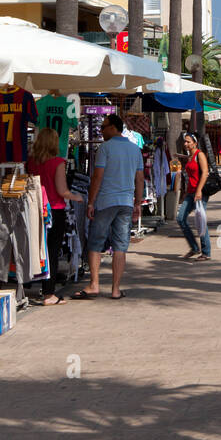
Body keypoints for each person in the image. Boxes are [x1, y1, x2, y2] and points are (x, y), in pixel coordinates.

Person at [74, 113, 143, 300]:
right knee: (120, 247)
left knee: (96, 243)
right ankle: (115, 289)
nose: (101, 131)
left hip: (106, 202)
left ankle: (94, 284)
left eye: (103, 127)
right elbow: (139, 178)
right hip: (126, 203)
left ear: (113, 127)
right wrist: (138, 202)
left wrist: (91, 202)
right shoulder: (135, 149)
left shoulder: (105, 148)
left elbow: (98, 176)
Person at [27, 127, 87, 305]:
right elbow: (62, 190)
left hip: (35, 209)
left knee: (38, 250)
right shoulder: (58, 162)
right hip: (54, 210)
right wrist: (77, 197)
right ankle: (49, 294)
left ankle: (34, 284)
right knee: (52, 252)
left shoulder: (31, 162)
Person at [177, 131, 211, 260]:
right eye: (185, 141)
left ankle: (206, 252)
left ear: (195, 143)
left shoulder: (199, 155)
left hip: (199, 193)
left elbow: (205, 173)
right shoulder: (190, 156)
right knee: (180, 218)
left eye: (188, 142)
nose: (186, 144)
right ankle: (194, 247)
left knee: (200, 222)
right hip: (190, 193)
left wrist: (199, 190)